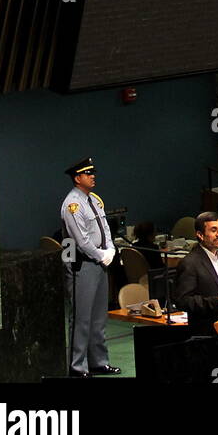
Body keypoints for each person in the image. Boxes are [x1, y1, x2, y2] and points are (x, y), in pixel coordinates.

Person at [60, 157, 121, 378]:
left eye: (93, 172)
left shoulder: (94, 200)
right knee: (81, 318)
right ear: (77, 178)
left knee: (98, 318)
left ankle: (99, 362)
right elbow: (82, 240)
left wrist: (111, 250)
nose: (93, 176)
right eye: (88, 173)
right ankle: (77, 366)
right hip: (82, 265)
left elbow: (105, 228)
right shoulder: (72, 204)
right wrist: (100, 255)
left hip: (100, 262)